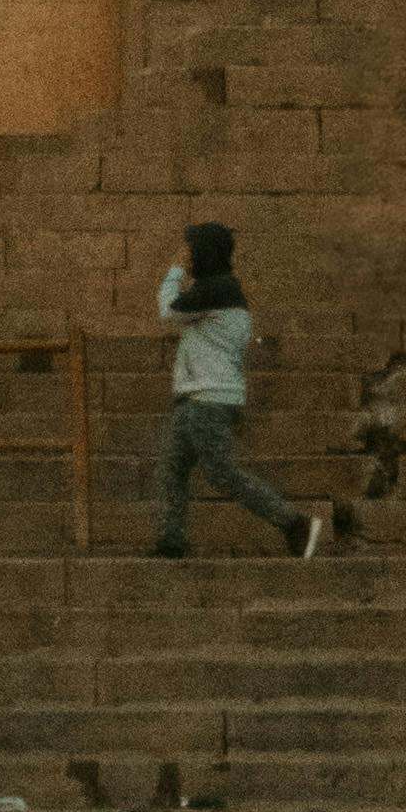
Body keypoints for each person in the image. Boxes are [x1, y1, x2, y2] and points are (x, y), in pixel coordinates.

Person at [148, 223, 331, 564]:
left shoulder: (217, 290)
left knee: (221, 472)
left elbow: (168, 310)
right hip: (199, 398)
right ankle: (171, 540)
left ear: (202, 251)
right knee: (171, 470)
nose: (185, 255)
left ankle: (294, 523)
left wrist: (174, 270)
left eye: (189, 249)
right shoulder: (219, 290)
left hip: (208, 400)